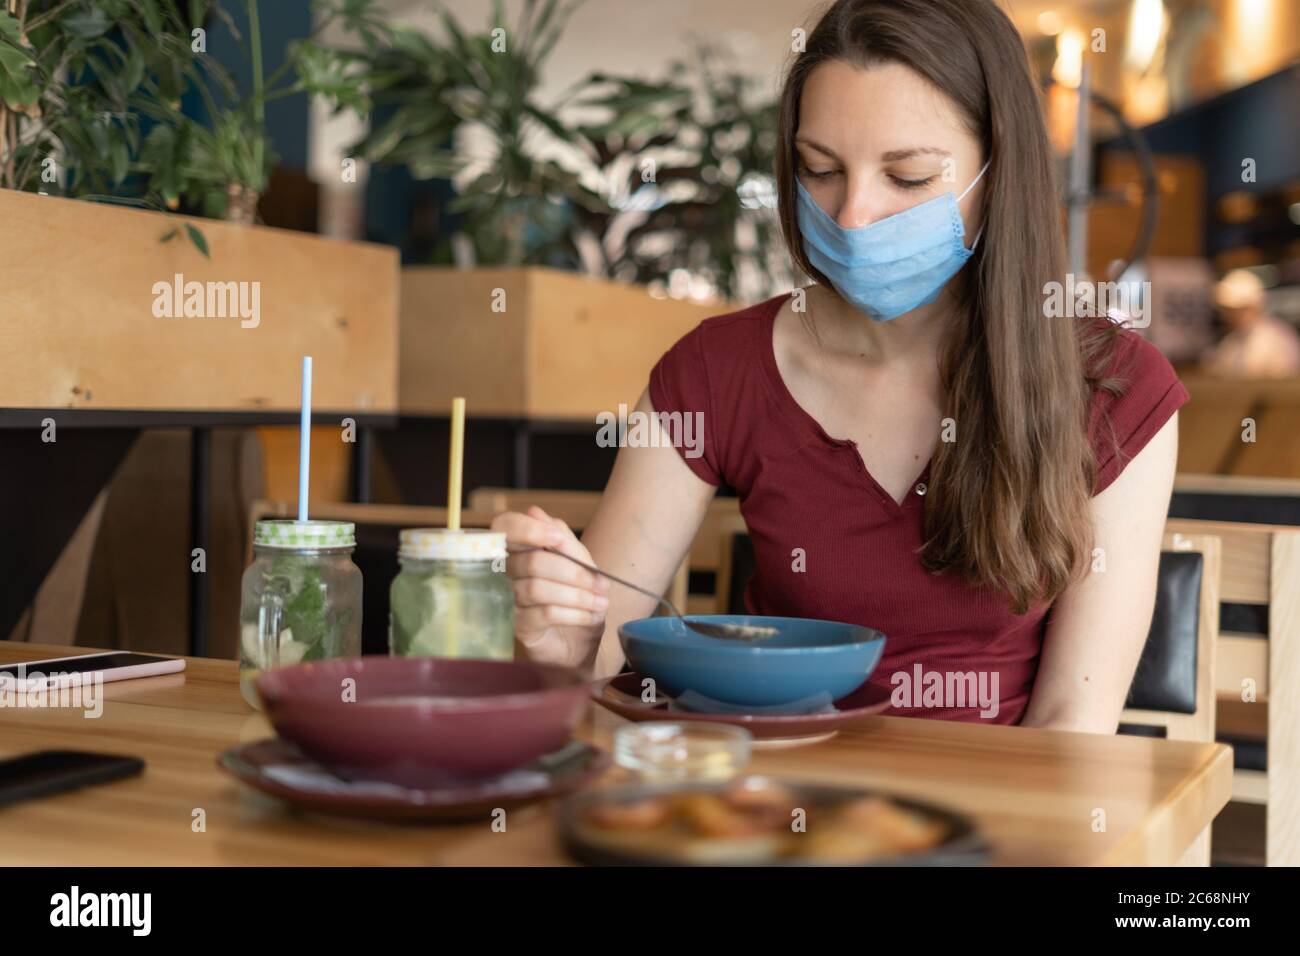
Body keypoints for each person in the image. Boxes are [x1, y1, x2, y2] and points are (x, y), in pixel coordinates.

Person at [492, 0, 1188, 732]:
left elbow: (1072, 722)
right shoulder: (715, 371)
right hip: (770, 786)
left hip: (995, 797)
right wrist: (563, 638)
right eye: (819, 169)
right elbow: (599, 651)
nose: (852, 215)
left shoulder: (1114, 388)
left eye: (908, 176)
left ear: (1000, 171)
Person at [1201, 268, 1300, 378]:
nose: (1228, 315)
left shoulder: (1277, 338)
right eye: (1228, 309)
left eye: (1237, 309)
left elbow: (1284, 382)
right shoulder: (1231, 342)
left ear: (1253, 307)